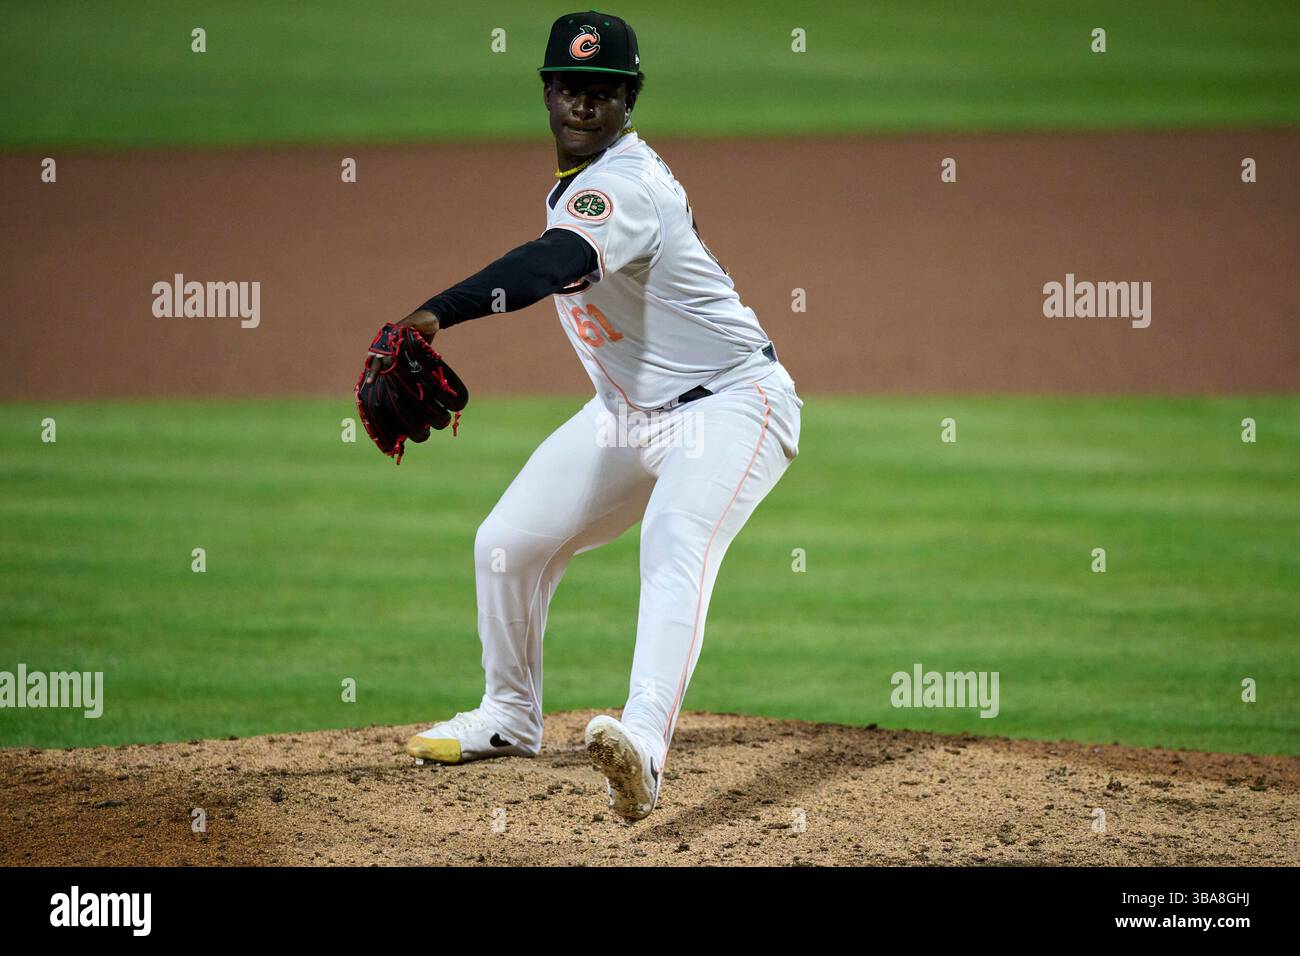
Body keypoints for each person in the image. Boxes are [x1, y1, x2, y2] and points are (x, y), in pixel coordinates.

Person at [368, 11, 802, 820]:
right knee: (505, 545)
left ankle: (642, 747)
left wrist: (435, 315)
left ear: (629, 99)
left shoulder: (624, 186)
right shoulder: (581, 184)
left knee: (674, 541)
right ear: (547, 91)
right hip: (628, 417)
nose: (584, 105)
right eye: (571, 87)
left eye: (603, 92)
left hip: (733, 407)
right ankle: (508, 715)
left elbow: (551, 262)